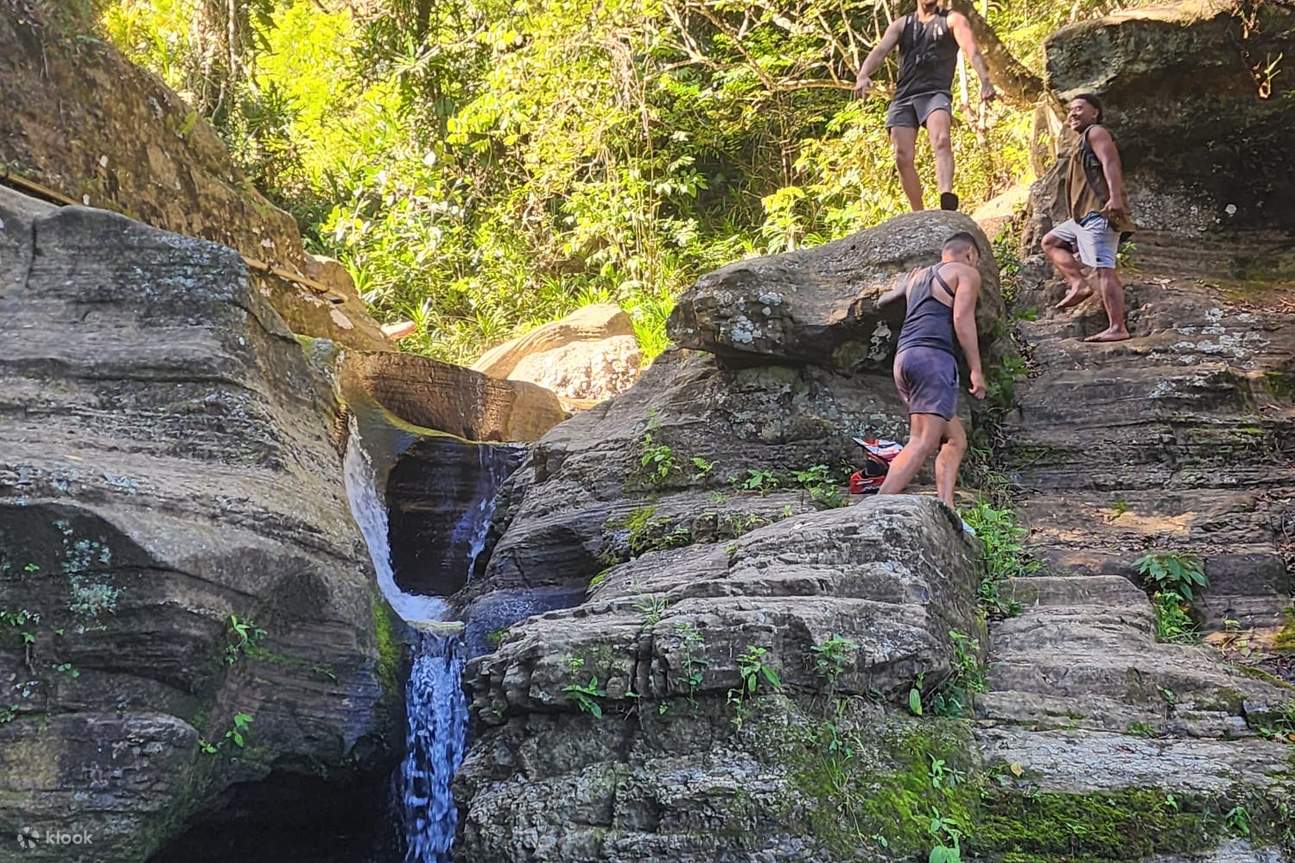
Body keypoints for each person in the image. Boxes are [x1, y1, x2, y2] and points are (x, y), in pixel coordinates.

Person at [874, 231, 987, 510]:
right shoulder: (966, 273)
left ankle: (946, 507)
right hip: (933, 359)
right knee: (922, 441)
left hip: (905, 359)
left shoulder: (918, 276)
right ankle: (871, 511)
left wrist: (905, 282)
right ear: (970, 254)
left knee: (955, 439)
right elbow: (962, 319)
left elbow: (883, 301)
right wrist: (976, 370)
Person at [854, 0, 997, 213]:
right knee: (902, 156)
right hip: (904, 96)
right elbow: (880, 50)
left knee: (941, 138)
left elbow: (972, 50)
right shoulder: (902, 25)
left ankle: (946, 197)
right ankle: (918, 212)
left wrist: (985, 81)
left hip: (935, 93)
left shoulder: (952, 20)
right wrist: (863, 74)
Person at [1042, 93, 1134, 343]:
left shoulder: (1096, 132)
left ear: (1095, 112)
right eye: (1070, 109)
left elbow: (1111, 162)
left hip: (1100, 213)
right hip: (1083, 218)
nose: (1073, 113)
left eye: (1080, 108)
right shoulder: (1081, 141)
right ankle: (1079, 284)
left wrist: (1115, 197)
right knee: (1051, 242)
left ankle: (1118, 327)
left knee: (1105, 269)